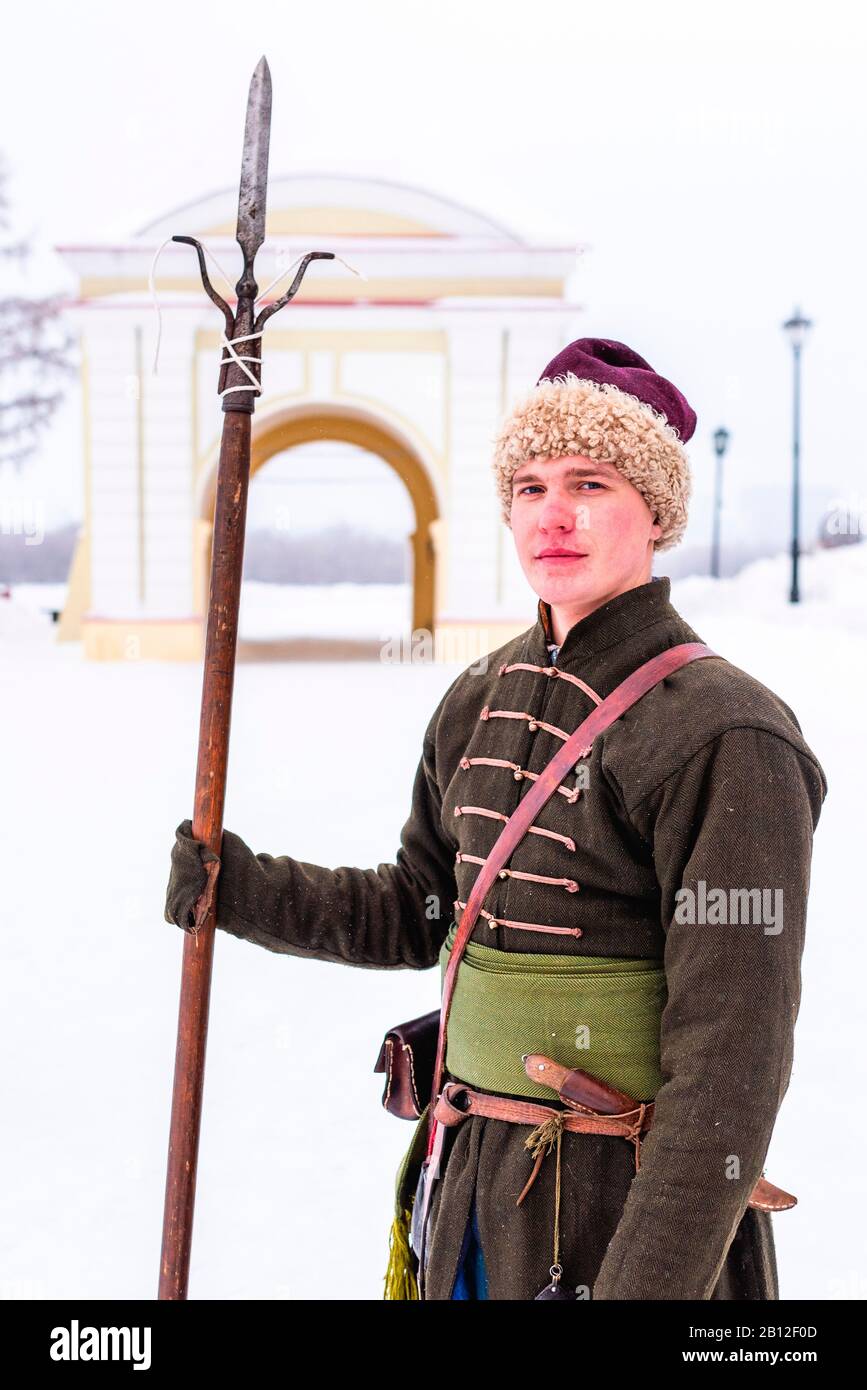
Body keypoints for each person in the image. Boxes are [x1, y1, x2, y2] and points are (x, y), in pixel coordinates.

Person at [164, 338, 827, 1300]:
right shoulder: (477, 698)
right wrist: (241, 889)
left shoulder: (729, 732)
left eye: (589, 483)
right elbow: (419, 911)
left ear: (656, 512)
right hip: (472, 1187)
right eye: (527, 486)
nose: (552, 515)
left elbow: (733, 1060)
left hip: (624, 1219)